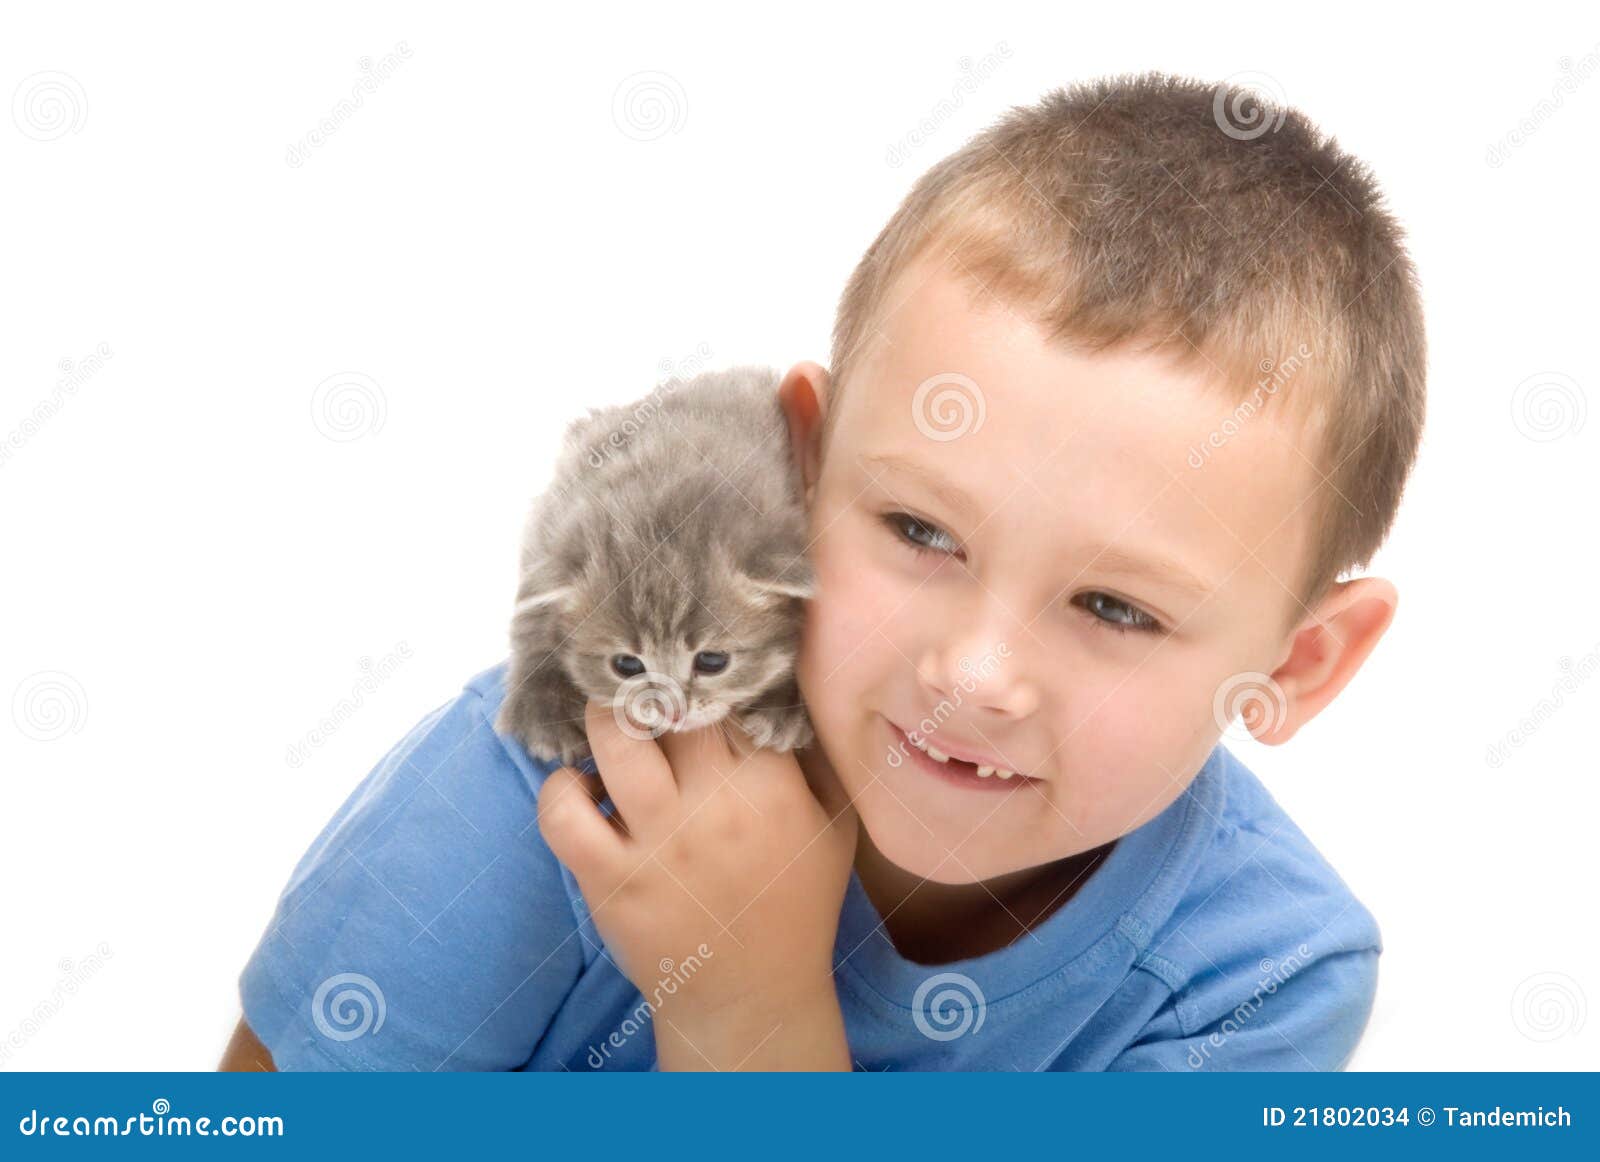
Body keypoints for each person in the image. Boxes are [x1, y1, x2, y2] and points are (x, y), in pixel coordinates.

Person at [222, 71, 1422, 1071]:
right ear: (804, 468)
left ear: (1299, 664)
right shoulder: (572, 766)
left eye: (1114, 606)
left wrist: (746, 1014)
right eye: (919, 532)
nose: (974, 674)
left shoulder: (1251, 986)